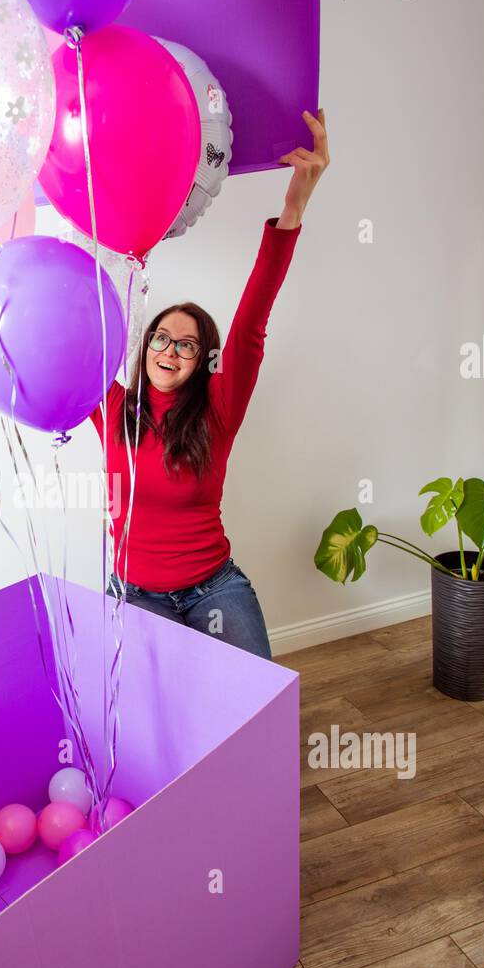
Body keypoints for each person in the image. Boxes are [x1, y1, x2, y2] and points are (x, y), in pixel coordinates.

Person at [91, 110, 330, 659]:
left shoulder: (218, 410)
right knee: (154, 729)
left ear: (204, 361)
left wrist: (293, 208)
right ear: (144, 345)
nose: (169, 350)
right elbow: (69, 340)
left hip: (212, 588)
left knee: (256, 711)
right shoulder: (112, 408)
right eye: (160, 338)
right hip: (136, 593)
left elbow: (250, 323)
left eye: (187, 344)